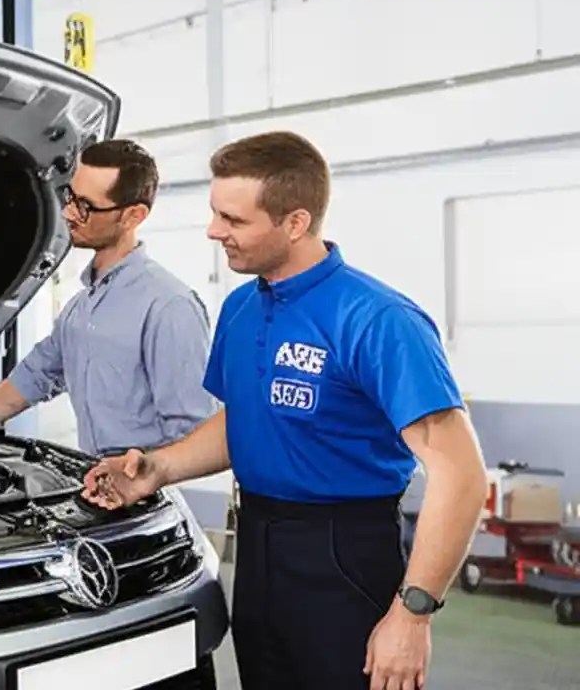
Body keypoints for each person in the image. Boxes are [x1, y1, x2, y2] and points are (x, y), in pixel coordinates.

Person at [82, 131, 489, 690]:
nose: (213, 231)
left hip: (344, 557)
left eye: (233, 219)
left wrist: (412, 613)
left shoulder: (376, 320)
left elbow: (459, 473)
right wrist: (156, 469)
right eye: (214, 212)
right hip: (257, 552)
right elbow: (245, 420)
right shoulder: (242, 307)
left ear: (295, 223)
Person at [0, 139, 215, 456]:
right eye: (69, 196)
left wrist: (140, 479)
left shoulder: (169, 307)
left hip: (151, 496)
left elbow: (195, 436)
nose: (68, 213)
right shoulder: (79, 310)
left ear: (133, 216)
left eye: (85, 206)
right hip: (96, 482)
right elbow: (21, 387)